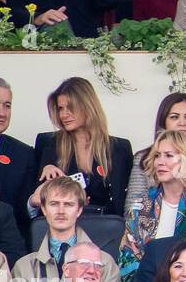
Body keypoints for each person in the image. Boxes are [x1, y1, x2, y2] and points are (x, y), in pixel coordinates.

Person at [30, 77, 133, 217]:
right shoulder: (47, 143)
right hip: (59, 229)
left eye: (70, 108)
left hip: (107, 231)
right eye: (61, 108)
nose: (64, 115)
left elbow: (125, 201)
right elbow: (35, 200)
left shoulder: (120, 148)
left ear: (88, 106)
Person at [11, 177, 125, 282]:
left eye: (68, 204)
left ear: (79, 210)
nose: (61, 211)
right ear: (43, 209)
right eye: (54, 204)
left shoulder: (104, 263)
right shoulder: (24, 266)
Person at [117, 130, 186, 282]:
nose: (160, 162)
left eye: (169, 155)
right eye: (157, 155)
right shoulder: (141, 206)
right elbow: (127, 259)